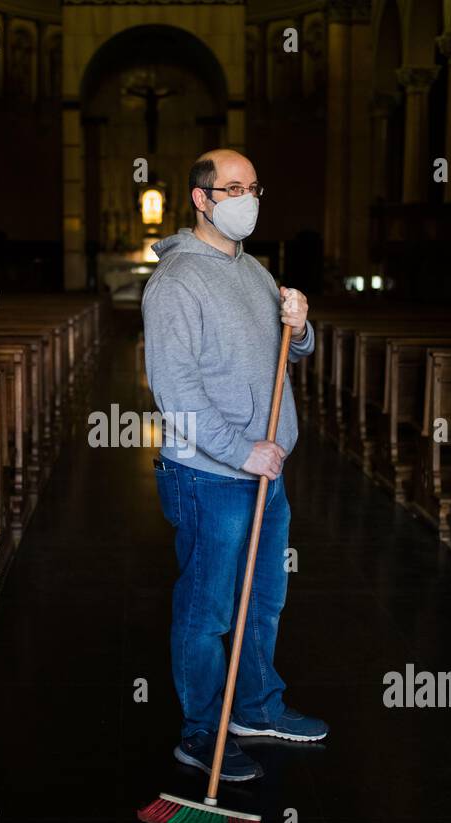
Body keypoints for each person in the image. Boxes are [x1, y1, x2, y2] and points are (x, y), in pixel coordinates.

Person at [142, 148, 330, 783]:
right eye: (232, 188)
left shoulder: (253, 271)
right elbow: (176, 394)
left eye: (254, 186)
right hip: (210, 476)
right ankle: (200, 731)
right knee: (208, 611)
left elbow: (287, 354)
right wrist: (241, 449)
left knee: (264, 601)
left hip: (266, 472)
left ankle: (255, 708)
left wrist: (300, 328)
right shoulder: (175, 282)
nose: (247, 197)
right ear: (202, 199)